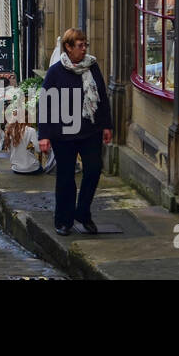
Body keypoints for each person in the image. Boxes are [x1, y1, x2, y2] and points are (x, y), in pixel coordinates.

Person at [38, 28, 112, 236]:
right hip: (64, 133)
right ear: (68, 48)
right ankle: (63, 220)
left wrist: (107, 125)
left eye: (85, 45)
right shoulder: (56, 72)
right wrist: (44, 135)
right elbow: (45, 104)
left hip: (90, 130)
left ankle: (83, 212)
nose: (84, 49)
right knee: (66, 177)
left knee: (94, 169)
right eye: (80, 45)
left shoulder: (92, 66)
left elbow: (102, 96)